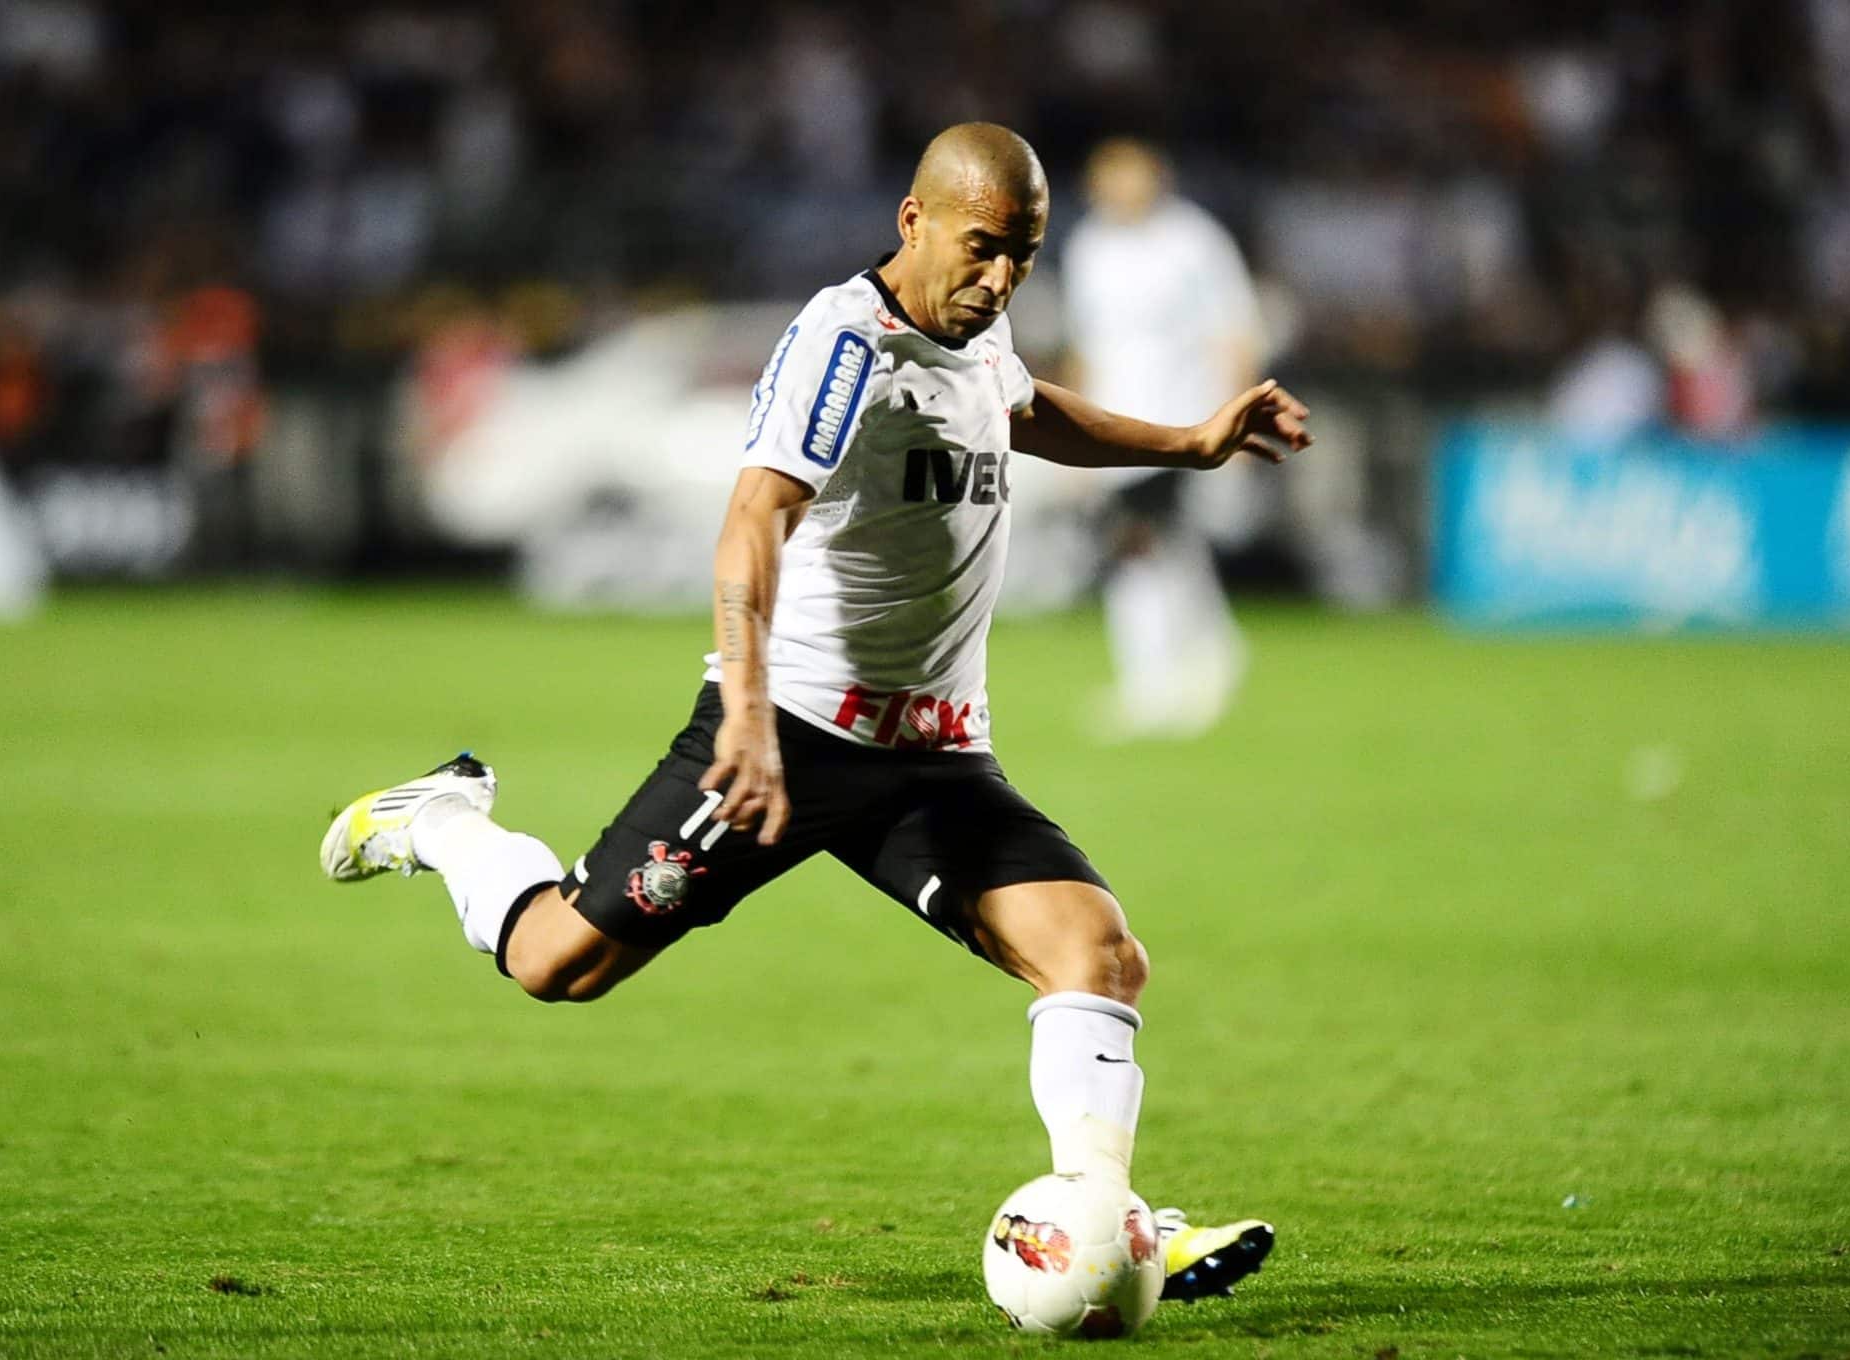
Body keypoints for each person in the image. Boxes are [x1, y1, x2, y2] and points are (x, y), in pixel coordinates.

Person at [320, 122, 1310, 1305]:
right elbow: (752, 518)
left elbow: (1022, 408)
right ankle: (441, 822)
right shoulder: (846, 339)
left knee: (1096, 956)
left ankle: (1106, 1218)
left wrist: (1189, 443)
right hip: (785, 739)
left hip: (934, 760)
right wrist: (741, 714)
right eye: (983, 249)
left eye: (1024, 258)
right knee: (555, 963)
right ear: (913, 221)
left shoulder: (974, 330)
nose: (1000, 280)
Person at [1061, 139, 1266, 737]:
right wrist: (1071, 431)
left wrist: (1236, 418)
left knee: (1140, 544)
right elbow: (1084, 344)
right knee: (1166, 549)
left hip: (1180, 420)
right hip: (1111, 423)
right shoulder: (1089, 249)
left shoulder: (1193, 242)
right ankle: (1209, 655)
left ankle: (1152, 680)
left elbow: (1235, 333)